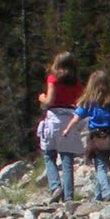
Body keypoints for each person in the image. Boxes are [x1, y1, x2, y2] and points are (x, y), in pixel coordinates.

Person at [60, 69, 110, 201]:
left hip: (95, 138)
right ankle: (98, 197)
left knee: (100, 167)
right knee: (102, 166)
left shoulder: (89, 102)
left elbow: (76, 117)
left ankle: (107, 192)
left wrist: (67, 129)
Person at [37, 52, 84, 202]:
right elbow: (79, 101)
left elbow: (49, 100)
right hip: (70, 118)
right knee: (67, 158)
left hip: (54, 118)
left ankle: (55, 186)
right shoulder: (76, 82)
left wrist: (42, 98)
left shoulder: (53, 79)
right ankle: (69, 196)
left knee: (49, 154)